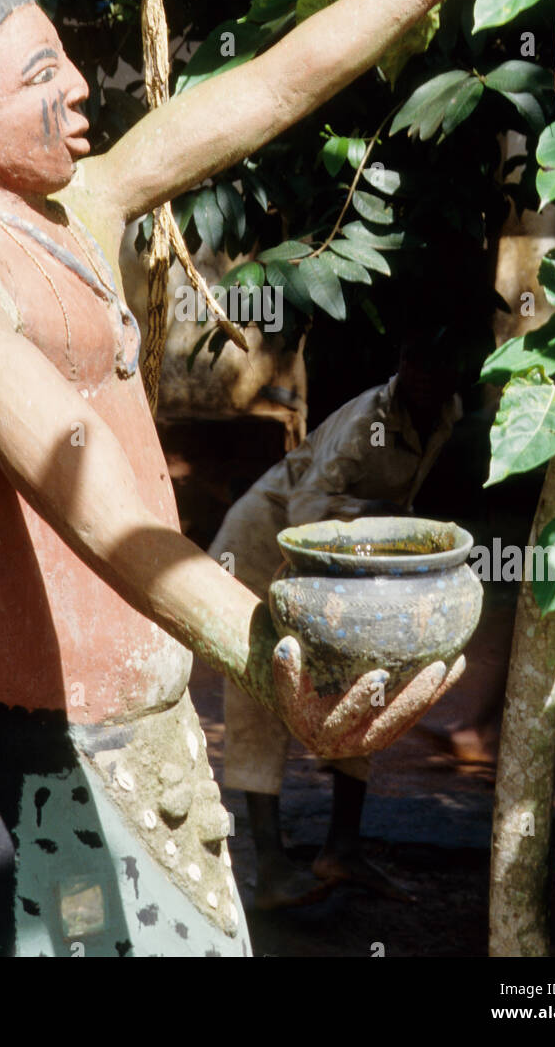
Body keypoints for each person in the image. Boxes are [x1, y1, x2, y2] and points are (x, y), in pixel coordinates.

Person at [0, 0, 523, 956]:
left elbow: (261, 90)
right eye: (44, 72)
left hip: (144, 742)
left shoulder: (82, 205)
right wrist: (262, 650)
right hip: (5, 782)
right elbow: (83, 487)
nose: (79, 86)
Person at [209, 337, 463, 909]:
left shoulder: (447, 415)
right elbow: (304, 510)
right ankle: (271, 867)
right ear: (400, 364)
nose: (421, 376)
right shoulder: (366, 422)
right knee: (261, 684)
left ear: (454, 376)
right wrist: (383, 525)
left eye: (435, 365)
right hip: (261, 546)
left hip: (334, 562)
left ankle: (341, 848)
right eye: (412, 361)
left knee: (368, 679)